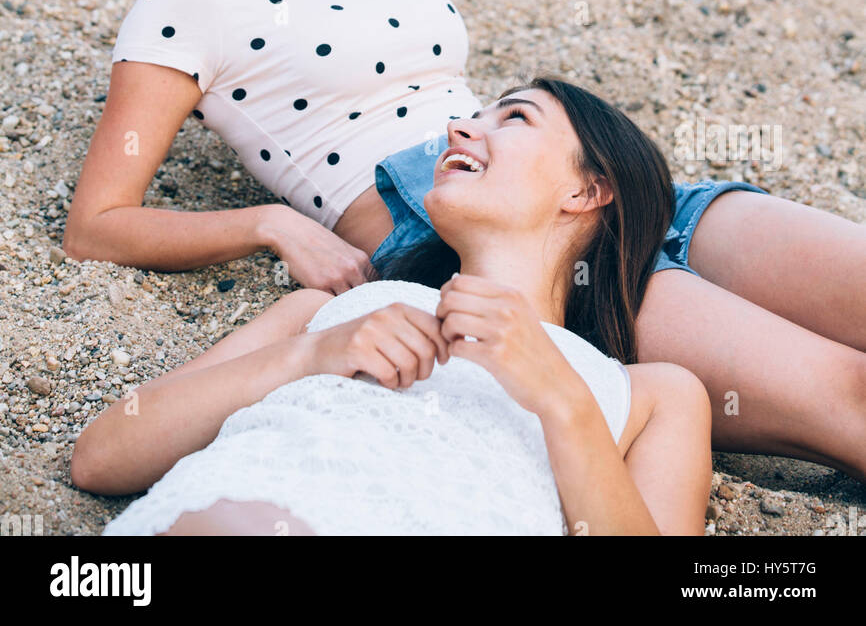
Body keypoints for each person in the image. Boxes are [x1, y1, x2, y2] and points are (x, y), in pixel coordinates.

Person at [64, 0, 866, 483]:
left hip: (576, 172)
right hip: (490, 242)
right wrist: (269, 223)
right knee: (849, 400)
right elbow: (97, 223)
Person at [72, 81, 713, 537]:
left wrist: (561, 400)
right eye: (470, 118)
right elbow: (101, 457)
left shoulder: (655, 394)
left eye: (513, 119)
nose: (460, 131)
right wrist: (311, 354)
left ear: (587, 188)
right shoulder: (327, 313)